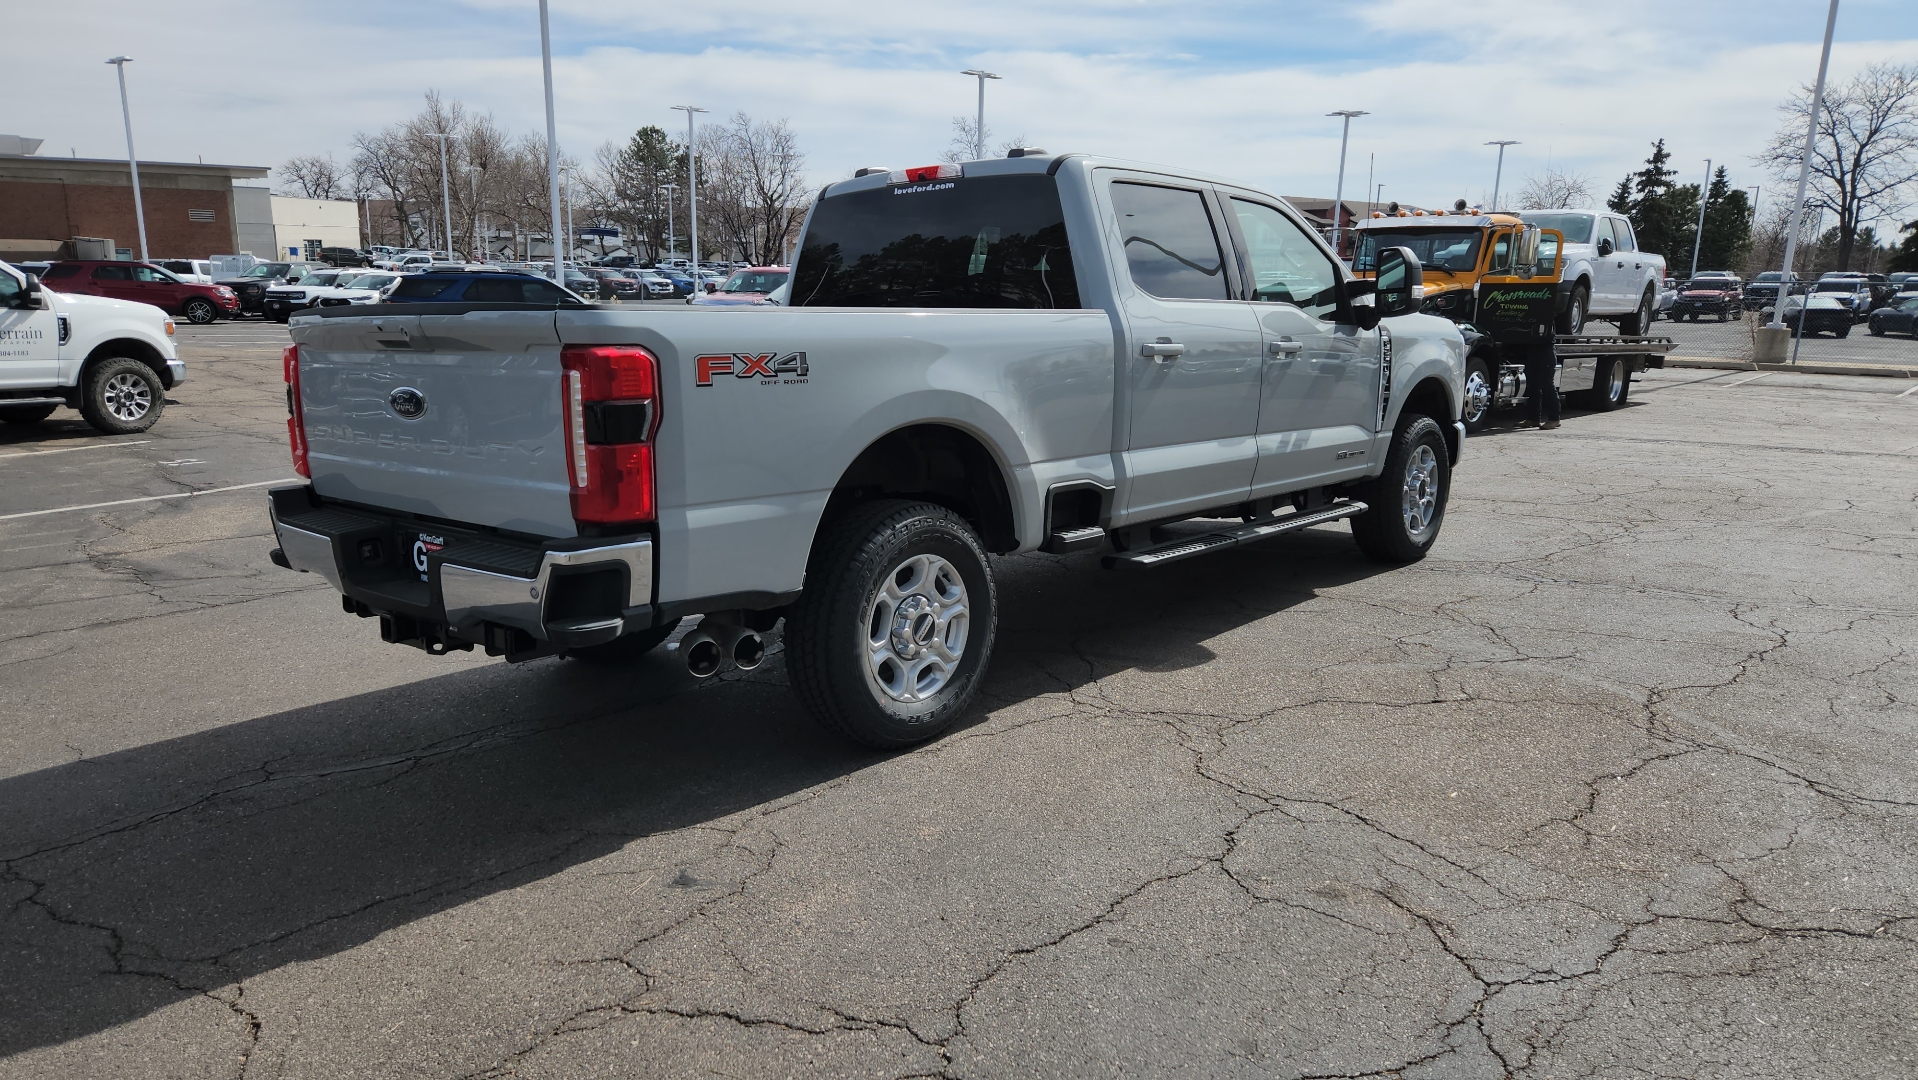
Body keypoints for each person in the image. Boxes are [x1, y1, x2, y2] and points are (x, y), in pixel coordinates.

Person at [1520, 341, 1560, 430]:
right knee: (1533, 387)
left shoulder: (1547, 329)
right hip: (1533, 355)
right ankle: (1533, 419)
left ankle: (1554, 419)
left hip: (1546, 355)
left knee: (1547, 385)